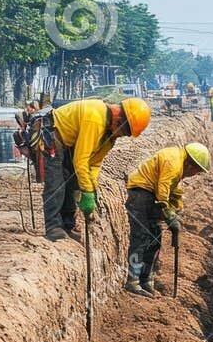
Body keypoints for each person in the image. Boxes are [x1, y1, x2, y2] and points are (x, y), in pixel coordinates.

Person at [41, 97, 151, 243]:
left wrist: (92, 190)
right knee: (57, 181)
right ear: (118, 115)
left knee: (74, 180)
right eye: (124, 130)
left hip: (70, 140)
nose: (121, 135)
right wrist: (86, 191)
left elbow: (94, 164)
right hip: (54, 134)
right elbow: (81, 160)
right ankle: (53, 226)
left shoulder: (109, 135)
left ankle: (68, 224)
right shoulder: (95, 119)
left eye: (126, 134)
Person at [123, 143, 212, 296]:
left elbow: (171, 190)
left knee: (154, 240)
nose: (194, 175)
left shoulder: (178, 162)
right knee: (141, 238)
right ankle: (133, 280)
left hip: (150, 196)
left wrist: (174, 210)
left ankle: (146, 280)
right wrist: (168, 215)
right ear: (191, 165)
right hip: (140, 195)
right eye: (196, 172)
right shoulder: (174, 163)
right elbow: (163, 189)